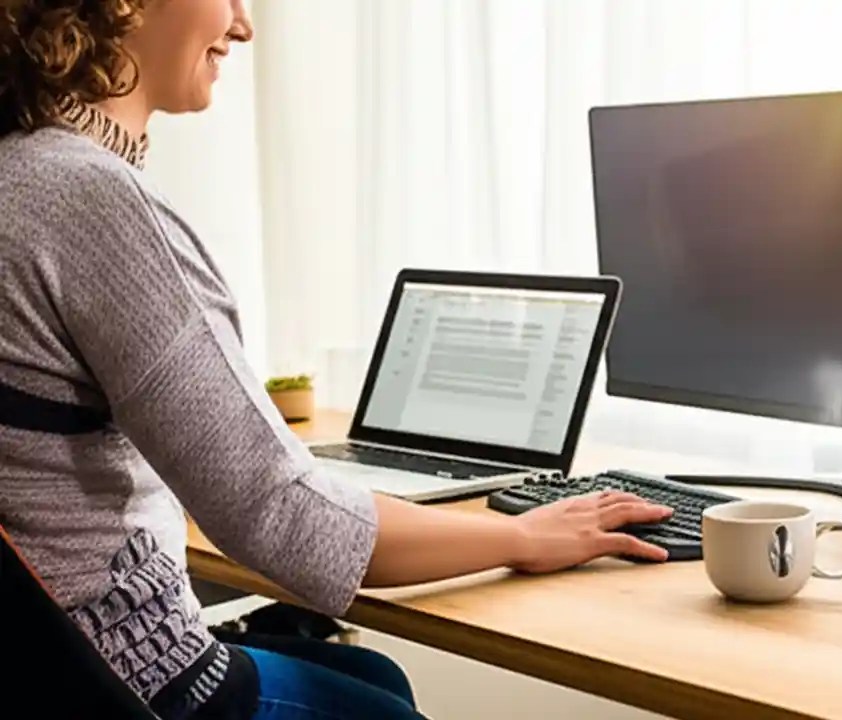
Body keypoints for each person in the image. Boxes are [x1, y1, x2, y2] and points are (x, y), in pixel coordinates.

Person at [0, 2, 673, 719]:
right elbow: (280, 516)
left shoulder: (20, 171)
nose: (242, 24)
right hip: (127, 681)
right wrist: (523, 535)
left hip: (46, 669)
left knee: (378, 676)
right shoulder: (91, 199)